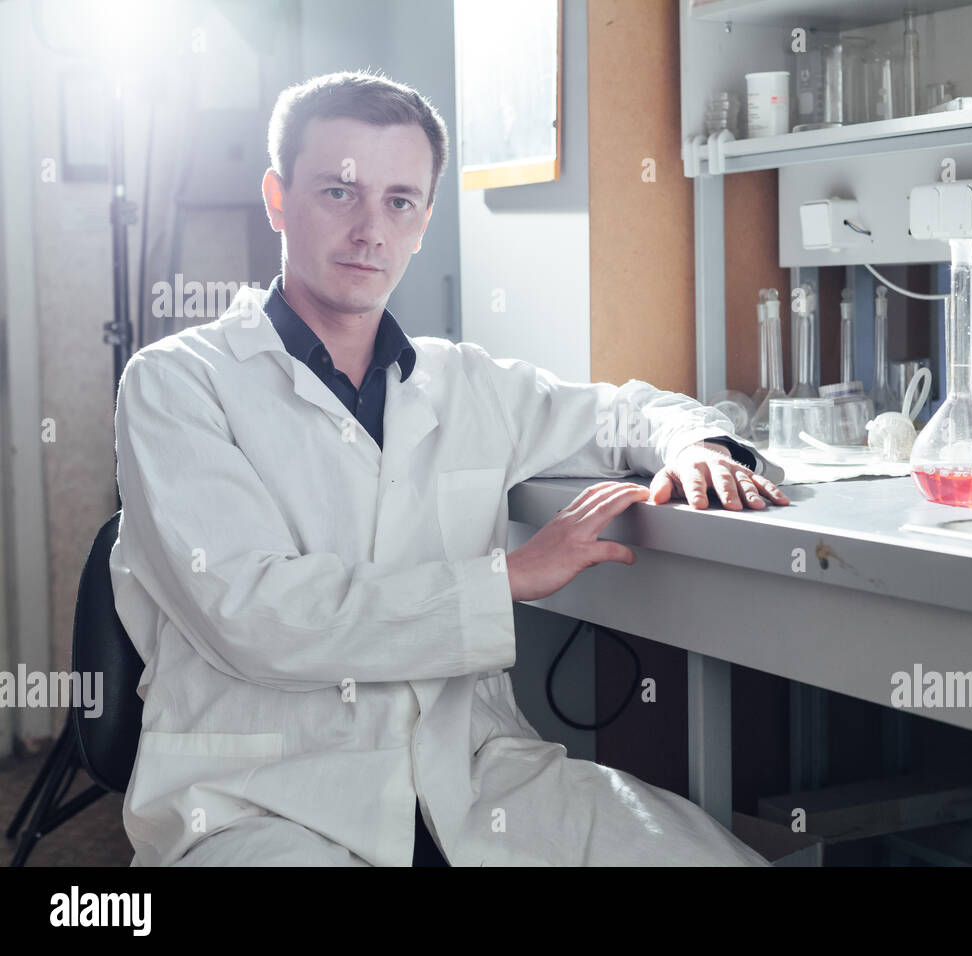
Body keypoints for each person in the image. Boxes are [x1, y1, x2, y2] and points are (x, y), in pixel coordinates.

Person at [109, 70, 788, 867]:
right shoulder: (176, 384)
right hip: (263, 798)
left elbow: (626, 411)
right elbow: (255, 617)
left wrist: (700, 445)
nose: (371, 229)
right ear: (277, 198)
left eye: (399, 201)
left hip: (470, 776)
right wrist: (501, 580)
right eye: (338, 192)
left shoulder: (461, 383)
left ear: (425, 219)